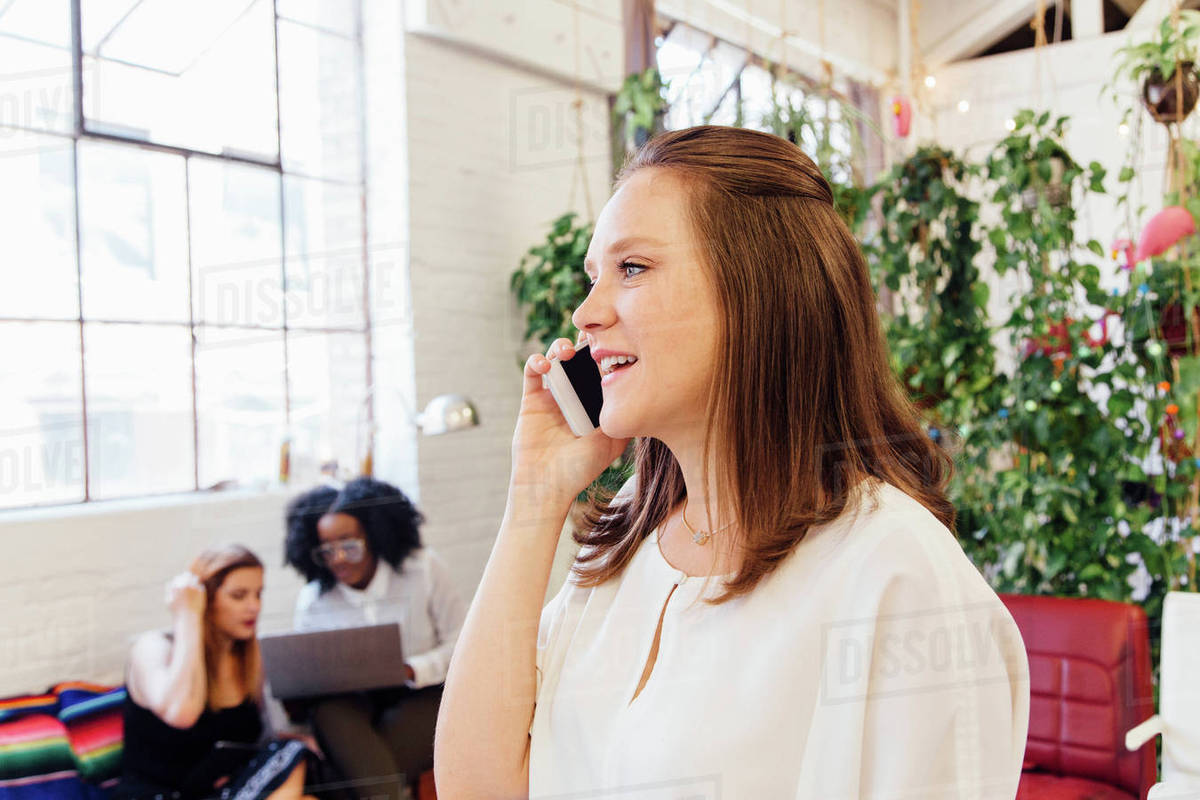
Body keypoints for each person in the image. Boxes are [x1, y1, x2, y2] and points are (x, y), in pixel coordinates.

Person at [435, 125, 1031, 799]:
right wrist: (534, 499)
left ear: (761, 291)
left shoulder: (895, 571)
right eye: (593, 277)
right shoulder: (631, 537)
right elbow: (478, 789)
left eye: (632, 268)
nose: (586, 312)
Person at [284, 478, 466, 800]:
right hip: (351, 705)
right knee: (330, 713)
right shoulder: (313, 600)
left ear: (376, 537)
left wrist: (410, 669)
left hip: (422, 695)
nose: (338, 558)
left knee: (358, 773)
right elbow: (308, 673)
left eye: (349, 545)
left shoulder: (423, 569)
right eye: (326, 550)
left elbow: (463, 645)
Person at [116, 544, 318, 800]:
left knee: (296, 763)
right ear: (206, 599)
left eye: (258, 594)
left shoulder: (248, 662)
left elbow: (259, 741)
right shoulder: (153, 647)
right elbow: (182, 712)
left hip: (214, 793)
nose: (254, 606)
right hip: (156, 795)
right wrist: (188, 615)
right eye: (239, 595)